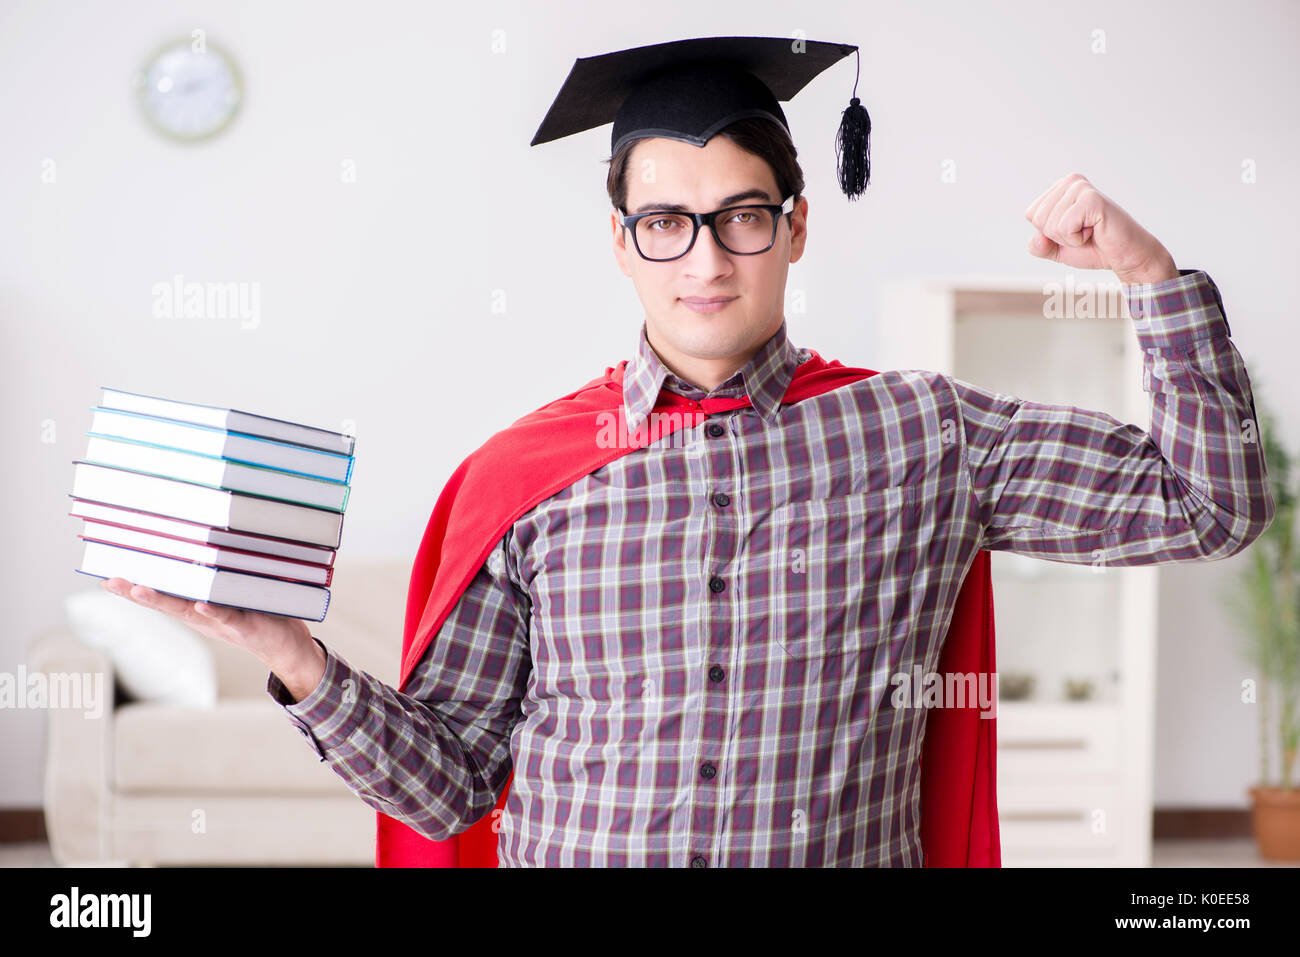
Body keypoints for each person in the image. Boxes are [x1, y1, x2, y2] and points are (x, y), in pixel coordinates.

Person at [101, 35, 1275, 867]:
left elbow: (1206, 507)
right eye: (666, 222)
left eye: (742, 216)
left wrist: (1145, 275)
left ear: (795, 224)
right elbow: (452, 788)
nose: (706, 260)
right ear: (621, 241)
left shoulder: (928, 434)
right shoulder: (529, 477)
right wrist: (293, 658)